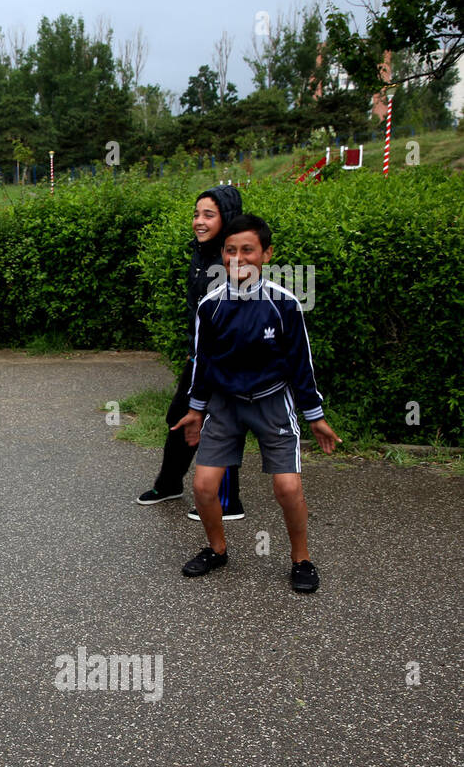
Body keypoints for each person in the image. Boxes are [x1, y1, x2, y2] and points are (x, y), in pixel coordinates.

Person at [171, 214, 341, 593]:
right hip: (225, 405)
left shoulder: (285, 304)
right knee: (203, 487)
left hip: (272, 403)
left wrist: (316, 417)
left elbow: (301, 364)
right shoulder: (210, 307)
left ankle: (301, 560)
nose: (238, 258)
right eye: (230, 250)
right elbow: (203, 363)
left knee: (287, 488)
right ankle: (217, 550)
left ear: (266, 254)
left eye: (247, 250)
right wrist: (196, 410)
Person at [136, 185, 245, 521]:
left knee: (220, 424)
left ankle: (228, 502)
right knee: (180, 418)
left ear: (226, 218)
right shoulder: (201, 254)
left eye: (208, 215)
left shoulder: (231, 258)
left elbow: (237, 316)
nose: (199, 221)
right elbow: (197, 314)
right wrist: (193, 353)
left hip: (225, 359)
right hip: (199, 357)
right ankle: (170, 484)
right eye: (196, 214)